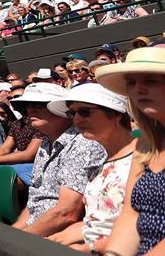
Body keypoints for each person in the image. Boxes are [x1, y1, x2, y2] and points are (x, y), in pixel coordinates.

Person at [44, 83, 136, 252]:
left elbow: (145, 226)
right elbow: (96, 221)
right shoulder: (103, 162)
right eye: (72, 113)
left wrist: (89, 248)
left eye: (85, 111)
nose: (76, 119)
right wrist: (54, 240)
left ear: (115, 115)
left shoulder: (145, 158)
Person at [95, 46, 165, 256]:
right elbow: (131, 214)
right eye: (132, 82)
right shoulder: (146, 144)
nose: (138, 89)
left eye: (150, 80)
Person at [10, 83, 106, 235]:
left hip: (62, 236)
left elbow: (67, 214)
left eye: (39, 105)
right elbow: (35, 202)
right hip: (36, 232)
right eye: (25, 106)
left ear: (64, 111)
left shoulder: (83, 144)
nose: (30, 110)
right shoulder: (45, 145)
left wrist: (16, 241)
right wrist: (12, 234)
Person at [0, 102, 44, 185]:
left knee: (4, 179)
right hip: (18, 163)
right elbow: (5, 148)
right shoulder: (17, 124)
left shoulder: (40, 123)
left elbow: (29, 154)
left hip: (35, 165)